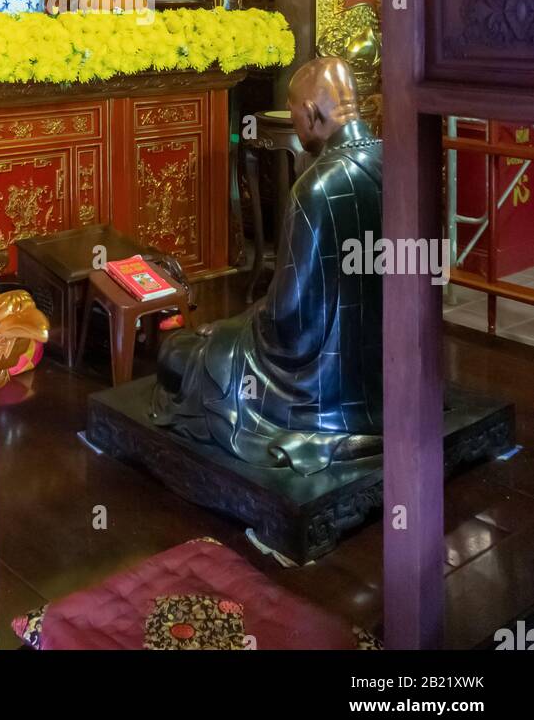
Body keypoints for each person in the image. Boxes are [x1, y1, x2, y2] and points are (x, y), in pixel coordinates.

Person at [152, 56, 383, 476]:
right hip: (390, 378)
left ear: (311, 115)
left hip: (319, 389)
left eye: (296, 116)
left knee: (177, 354)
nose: (297, 126)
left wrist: (231, 329)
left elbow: (287, 319)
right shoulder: (401, 167)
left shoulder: (316, 189)